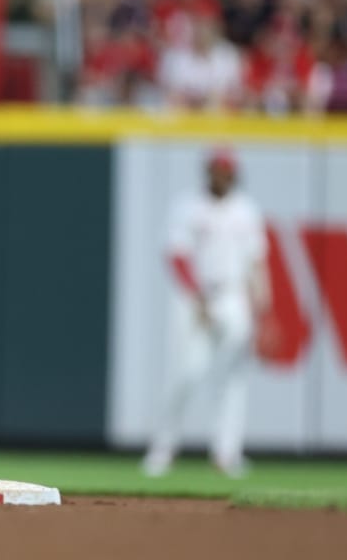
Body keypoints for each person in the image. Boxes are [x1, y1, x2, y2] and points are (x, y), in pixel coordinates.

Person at [142, 149, 270, 479]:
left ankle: (227, 453)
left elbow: (256, 260)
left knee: (233, 378)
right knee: (186, 373)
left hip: (232, 295)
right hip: (195, 296)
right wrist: (197, 299)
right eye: (216, 170)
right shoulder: (188, 206)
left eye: (225, 171)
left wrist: (263, 304)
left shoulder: (246, 209)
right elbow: (176, 255)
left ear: (234, 174)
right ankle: (163, 449)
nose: (221, 176)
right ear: (207, 172)